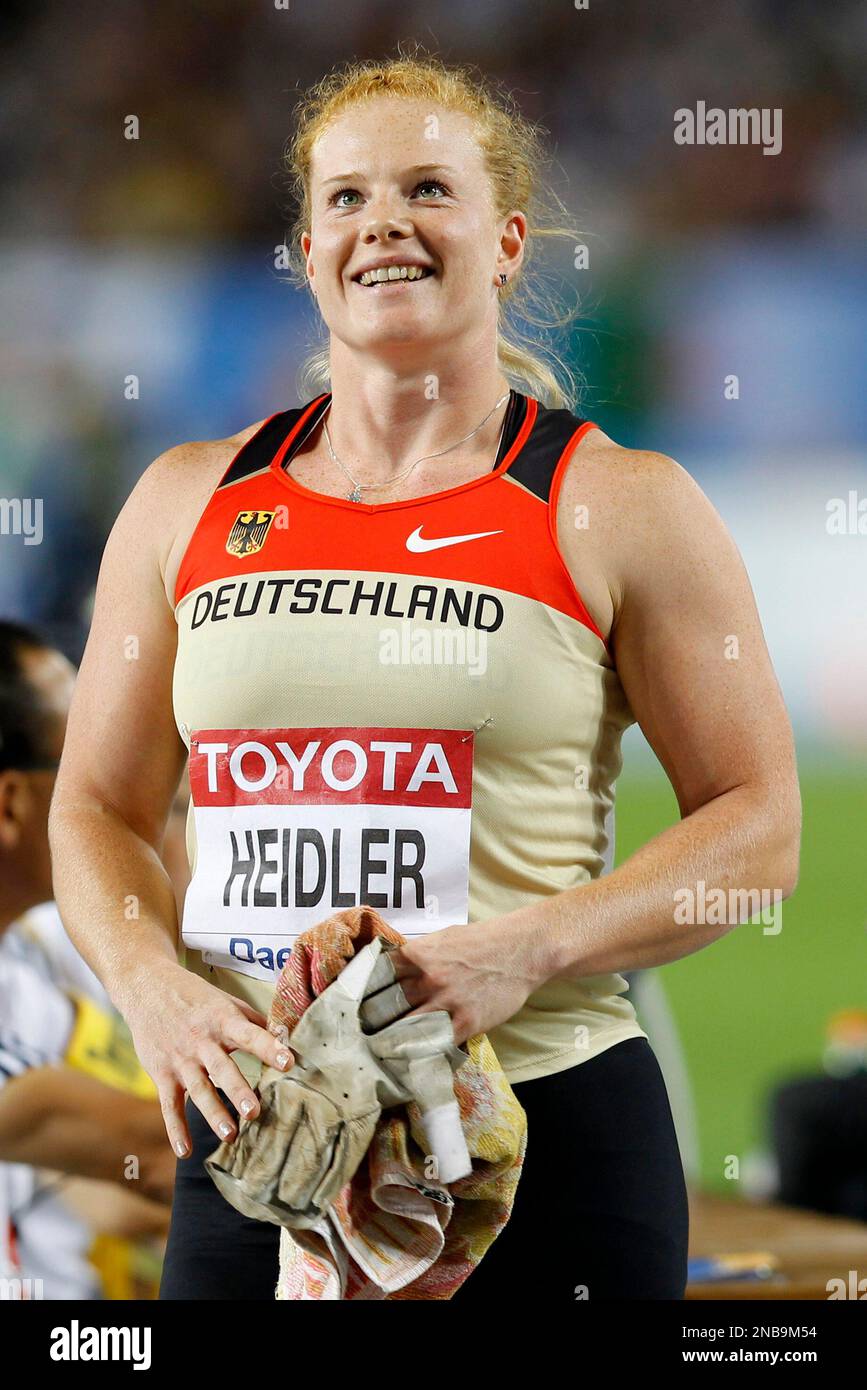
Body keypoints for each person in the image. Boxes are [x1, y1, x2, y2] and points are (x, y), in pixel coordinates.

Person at [48, 52, 801, 1302]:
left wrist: (522, 950)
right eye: (346, 198)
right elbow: (97, 807)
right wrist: (153, 992)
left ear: (505, 242)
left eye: (425, 190)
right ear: (305, 248)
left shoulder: (616, 503)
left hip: (544, 1131)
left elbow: (760, 835)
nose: (382, 223)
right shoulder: (186, 502)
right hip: (254, 1135)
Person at [0, 619, 174, 1297]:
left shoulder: (43, 946)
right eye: (76, 763)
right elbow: (160, 1155)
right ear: (11, 802)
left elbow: (102, 1187)